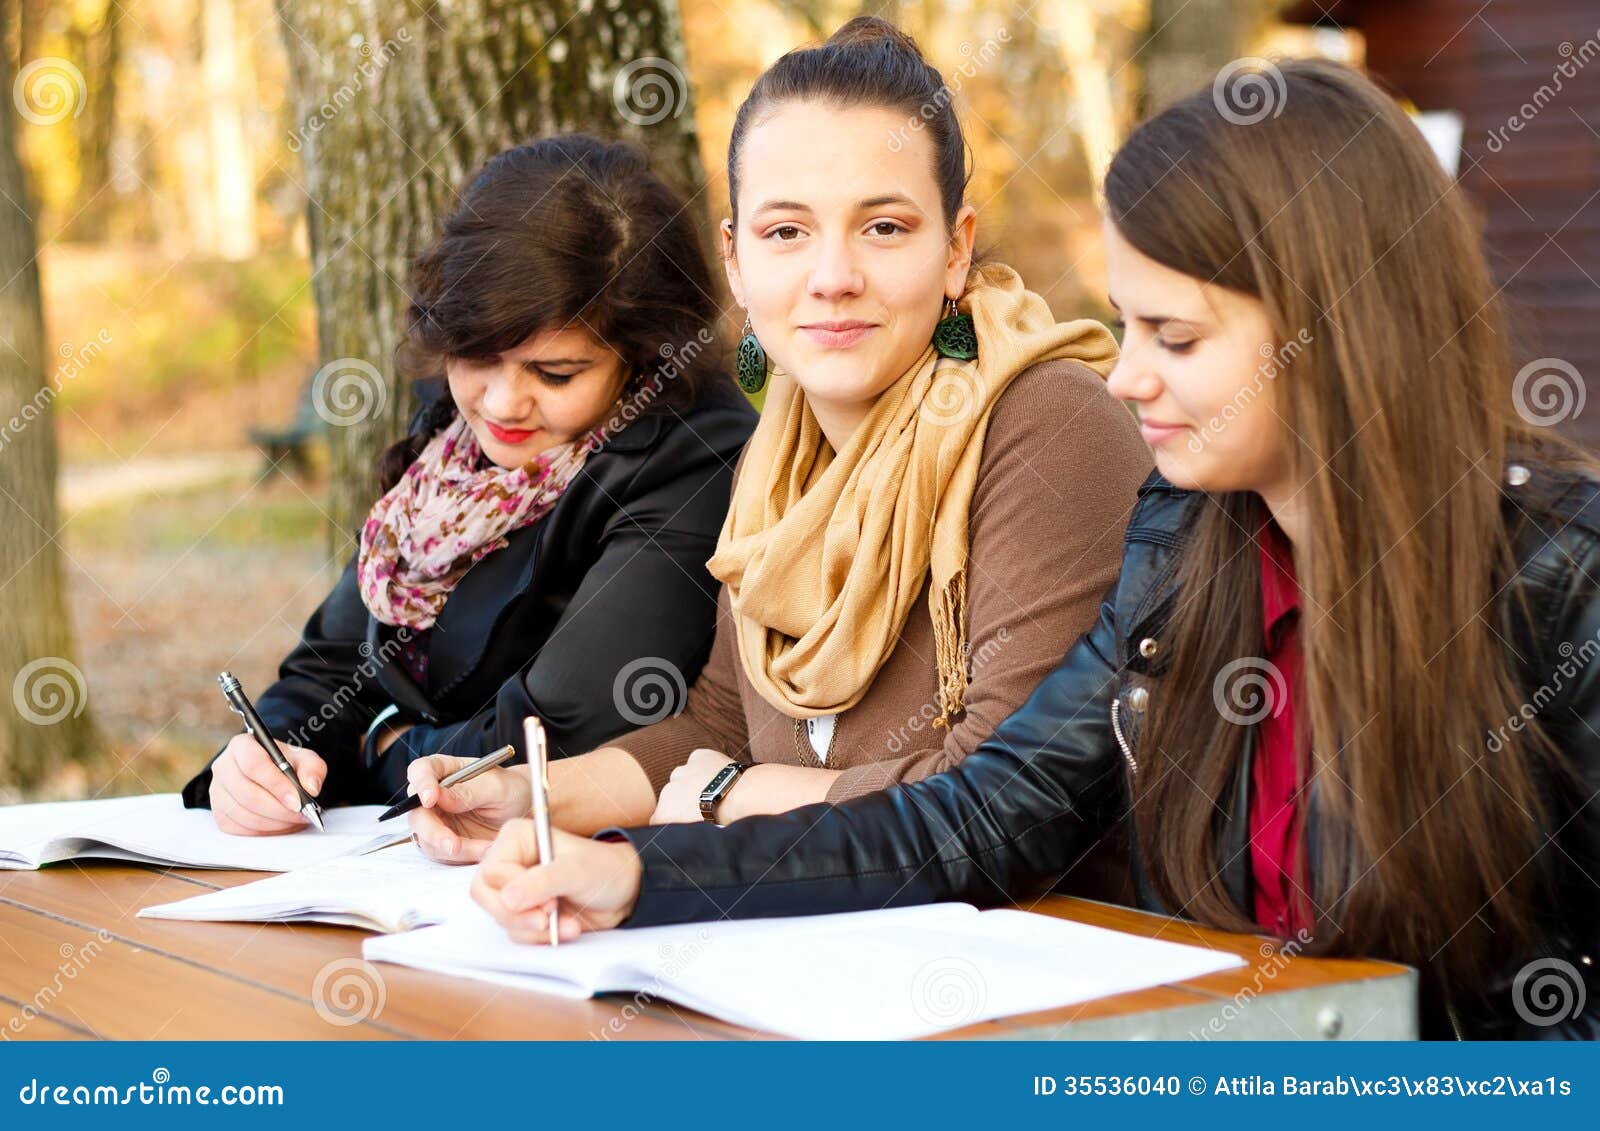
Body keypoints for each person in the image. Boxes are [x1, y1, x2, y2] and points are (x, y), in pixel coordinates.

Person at [465, 60, 1600, 1041]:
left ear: (1334, 327)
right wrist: (641, 874)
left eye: (1175, 337)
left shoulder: (1562, 579)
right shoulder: (1191, 537)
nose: (1126, 375)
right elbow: (990, 813)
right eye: (1129, 322)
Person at [404, 17, 1151, 861]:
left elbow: (1007, 798)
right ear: (735, 262)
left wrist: (738, 794)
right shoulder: (779, 455)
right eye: (787, 232)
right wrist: (530, 796)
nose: (833, 278)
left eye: (885, 227)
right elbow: (721, 722)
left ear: (956, 249)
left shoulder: (1049, 422)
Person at [184, 135, 755, 832]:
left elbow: (550, 739)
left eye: (555, 373)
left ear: (640, 358)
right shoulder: (454, 432)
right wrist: (269, 756)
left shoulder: (692, 457)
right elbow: (329, 667)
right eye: (478, 355)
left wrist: (371, 747)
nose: (502, 403)